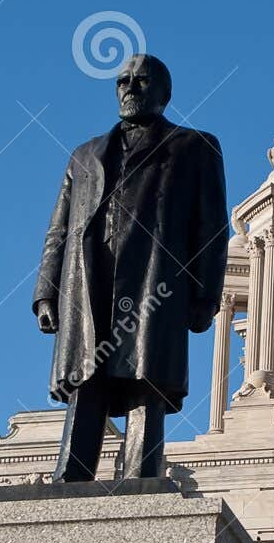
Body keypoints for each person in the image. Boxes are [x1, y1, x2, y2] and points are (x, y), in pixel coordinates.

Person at [33, 55, 229, 483]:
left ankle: (141, 478)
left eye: (141, 81)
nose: (130, 88)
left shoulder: (194, 146)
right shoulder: (84, 155)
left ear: (165, 93)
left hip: (154, 281)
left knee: (147, 380)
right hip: (88, 279)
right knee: (86, 380)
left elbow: (213, 228)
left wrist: (206, 296)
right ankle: (71, 477)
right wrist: (45, 291)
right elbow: (59, 229)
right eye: (123, 81)